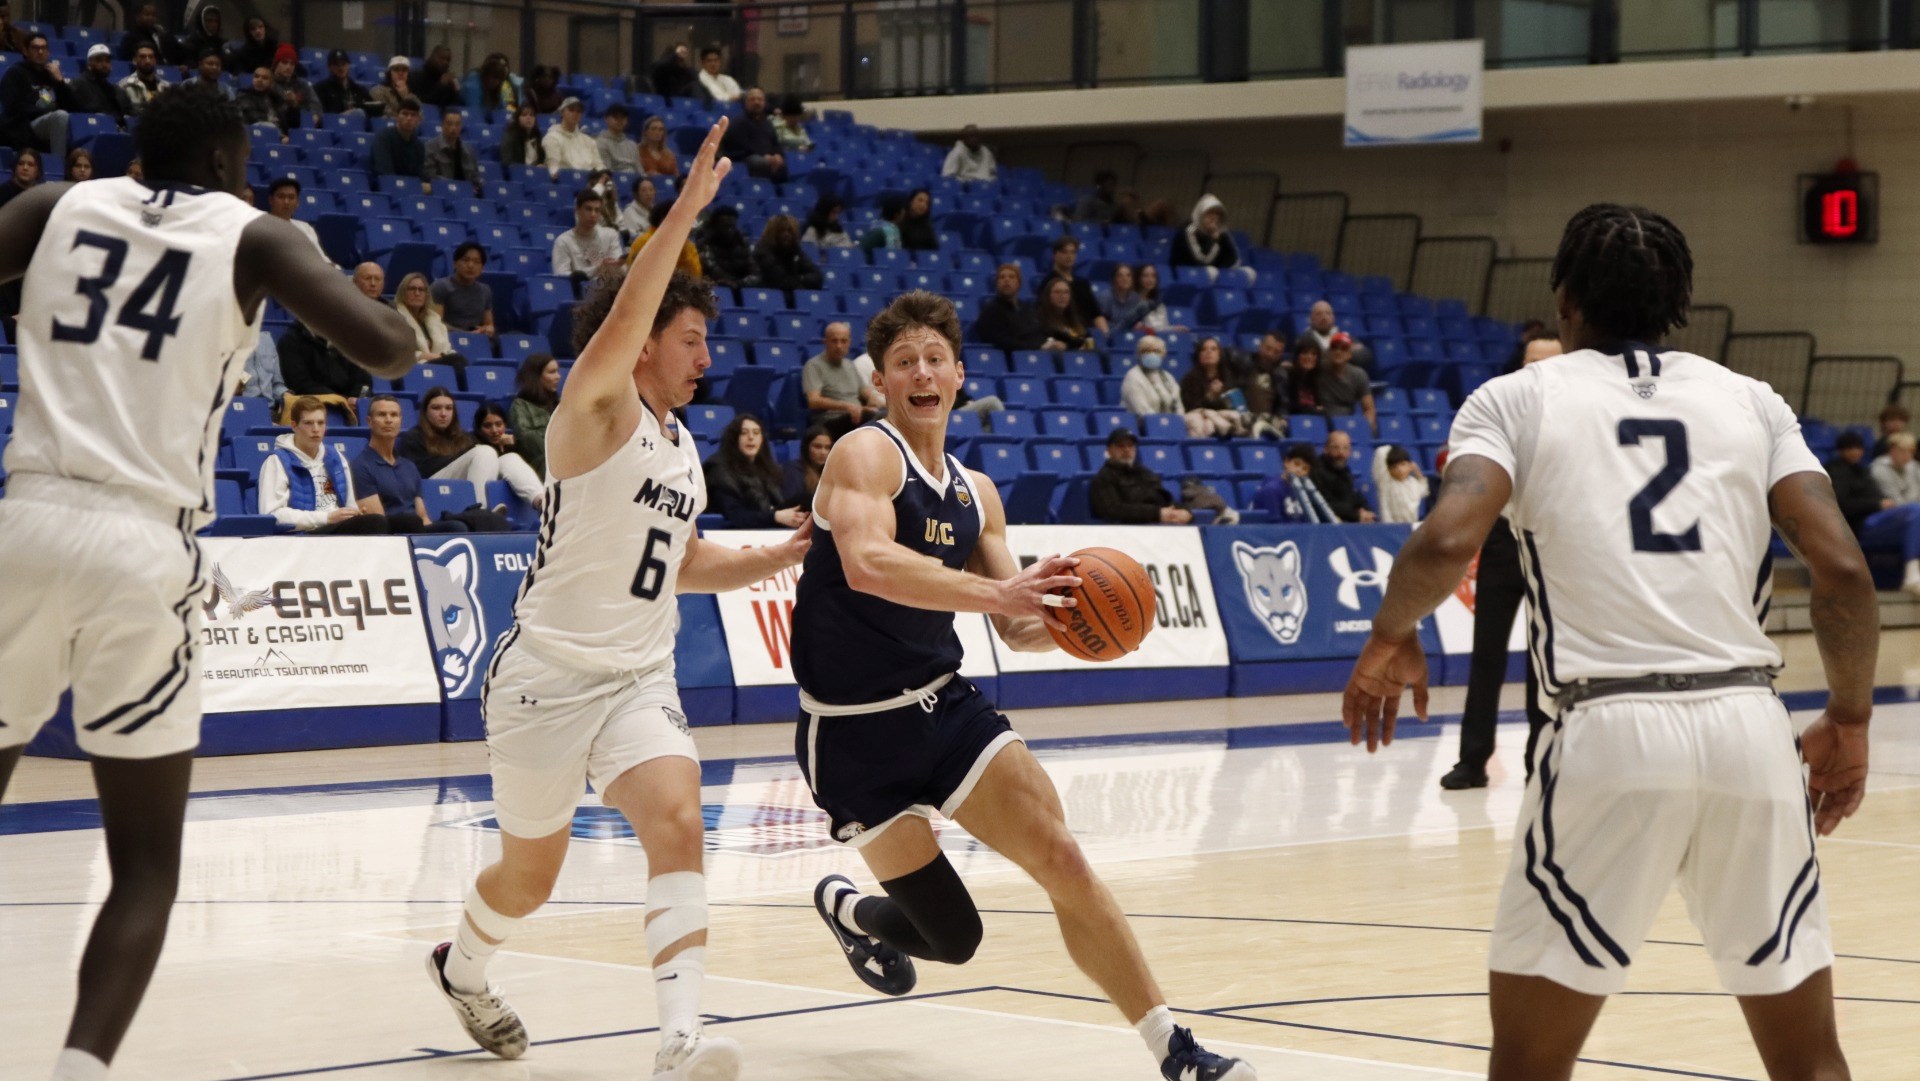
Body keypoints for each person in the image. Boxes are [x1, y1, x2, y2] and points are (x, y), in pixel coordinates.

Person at [1342, 202, 1872, 1081]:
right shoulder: (1753, 401)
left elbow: (1442, 541)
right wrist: (1849, 717)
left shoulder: (1515, 398)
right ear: (1680, 304)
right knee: (1809, 1060)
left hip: (1607, 729)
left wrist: (1388, 639)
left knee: (1530, 1062)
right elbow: (1845, 573)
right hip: (1748, 725)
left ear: (1564, 302)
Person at [0, 83, 414, 1081]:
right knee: (145, 862)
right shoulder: (254, 238)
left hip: (24, 521)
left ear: (136, 155)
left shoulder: (55, 205)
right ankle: (78, 1070)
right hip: (143, 540)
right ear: (231, 165)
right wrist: (396, 303)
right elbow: (384, 348)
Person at [789, 289, 1255, 1081]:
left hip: (943, 707)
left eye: (936, 358)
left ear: (960, 375)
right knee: (953, 939)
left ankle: (1173, 1050)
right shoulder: (865, 455)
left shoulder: (978, 493)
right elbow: (868, 565)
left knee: (1063, 858)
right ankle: (848, 907)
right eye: (905, 362)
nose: (922, 372)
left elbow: (1016, 625)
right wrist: (999, 595)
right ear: (883, 383)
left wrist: (1073, 619)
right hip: (852, 734)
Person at [426, 120, 800, 1081]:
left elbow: (681, 563)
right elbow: (630, 307)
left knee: (679, 819)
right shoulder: (597, 405)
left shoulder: (681, 449)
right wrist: (682, 213)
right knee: (528, 879)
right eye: (690, 335)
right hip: (544, 682)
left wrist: (783, 552)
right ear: (640, 345)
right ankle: (463, 968)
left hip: (637, 676)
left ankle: (679, 1034)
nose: (704, 354)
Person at [1441, 334, 1561, 791]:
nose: (1538, 370)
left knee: (1542, 660)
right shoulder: (1500, 410)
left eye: (1547, 362)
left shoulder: (1578, 417)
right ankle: (1473, 758)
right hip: (1500, 547)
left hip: (1550, 547)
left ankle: (1539, 759)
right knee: (1486, 657)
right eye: (1531, 361)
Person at [258, 397, 389, 534]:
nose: (316, 429)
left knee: (404, 522)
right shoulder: (277, 461)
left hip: (335, 527)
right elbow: (273, 515)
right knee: (375, 523)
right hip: (304, 534)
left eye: (321, 423)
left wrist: (353, 513)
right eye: (308, 423)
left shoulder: (335, 457)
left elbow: (349, 504)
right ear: (294, 425)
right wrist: (326, 518)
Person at [351, 395, 470, 533]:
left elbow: (423, 518)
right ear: (369, 421)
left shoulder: (409, 466)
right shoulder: (360, 466)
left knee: (457, 526)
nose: (389, 420)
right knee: (409, 521)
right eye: (382, 415)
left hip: (416, 529)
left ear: (400, 421)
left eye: (394, 415)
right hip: (391, 532)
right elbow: (377, 522)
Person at [704, 413, 808, 529]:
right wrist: (775, 516)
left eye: (756, 432)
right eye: (744, 433)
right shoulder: (719, 470)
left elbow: (775, 506)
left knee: (808, 501)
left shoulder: (766, 468)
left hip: (765, 528)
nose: (751, 437)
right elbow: (736, 516)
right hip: (734, 534)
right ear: (733, 438)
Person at [399, 385, 510, 488]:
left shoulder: (463, 437)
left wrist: (508, 447)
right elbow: (420, 471)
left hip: (460, 483)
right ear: (425, 412)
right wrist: (462, 455)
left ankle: (528, 504)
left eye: (448, 408)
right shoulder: (413, 437)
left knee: (510, 459)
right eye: (436, 408)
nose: (443, 413)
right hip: (432, 484)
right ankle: (481, 507)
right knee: (485, 451)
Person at [804, 321, 884, 438]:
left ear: (849, 343)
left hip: (858, 415)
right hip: (831, 419)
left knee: (887, 415)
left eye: (843, 341)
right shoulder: (814, 365)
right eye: (834, 341)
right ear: (825, 342)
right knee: (873, 419)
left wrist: (878, 403)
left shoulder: (850, 365)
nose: (839, 346)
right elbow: (813, 401)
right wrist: (848, 407)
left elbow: (865, 392)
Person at [1, 34, 75, 158]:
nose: (40, 52)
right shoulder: (15, 73)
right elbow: (12, 106)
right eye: (35, 48)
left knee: (65, 117)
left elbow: (71, 106)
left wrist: (60, 81)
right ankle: (58, 163)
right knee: (60, 116)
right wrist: (43, 110)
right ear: (25, 51)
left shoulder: (50, 75)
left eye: (44, 48)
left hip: (48, 122)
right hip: (23, 126)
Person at [472, 402, 547, 508]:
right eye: (487, 426)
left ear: (505, 425)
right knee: (507, 457)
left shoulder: (513, 443)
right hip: (481, 486)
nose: (494, 430)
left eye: (498, 424)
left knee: (512, 457)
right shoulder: (471, 444)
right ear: (479, 429)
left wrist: (515, 444)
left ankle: (542, 502)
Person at [970, 263, 1054, 353]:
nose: (1006, 280)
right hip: (1013, 357)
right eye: (1002, 277)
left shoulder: (1027, 308)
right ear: (997, 283)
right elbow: (1003, 342)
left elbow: (1037, 332)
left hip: (1038, 352)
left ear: (1019, 283)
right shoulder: (990, 311)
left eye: (1012, 277)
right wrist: (1038, 347)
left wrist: (1049, 342)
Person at [1181, 337, 1249, 438]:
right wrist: (1209, 397)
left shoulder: (1229, 377)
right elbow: (1189, 408)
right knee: (1207, 425)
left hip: (1225, 418)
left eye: (1213, 349)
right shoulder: (1189, 379)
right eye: (1204, 349)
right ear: (1199, 355)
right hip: (1199, 419)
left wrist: (1221, 395)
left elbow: (1236, 404)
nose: (1209, 352)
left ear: (1220, 354)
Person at [1253, 444, 1340, 523]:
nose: (1299, 470)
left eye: (1305, 469)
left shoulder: (1303, 491)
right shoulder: (1271, 490)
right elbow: (1273, 527)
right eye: (1297, 464)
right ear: (1286, 462)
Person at [552, 187, 625, 280]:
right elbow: (561, 276)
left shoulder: (610, 235)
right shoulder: (563, 241)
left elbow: (619, 267)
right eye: (588, 209)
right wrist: (597, 269)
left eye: (597, 210)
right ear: (577, 210)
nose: (593, 214)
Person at [1169, 194, 1245, 281]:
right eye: (1209, 213)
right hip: (1186, 271)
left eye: (1217, 214)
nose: (1214, 217)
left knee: (1248, 273)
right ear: (1201, 214)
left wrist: (1222, 269)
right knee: (1211, 272)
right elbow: (1202, 261)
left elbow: (1234, 258)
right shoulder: (1188, 231)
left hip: (1212, 273)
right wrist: (1214, 240)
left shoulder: (1222, 233)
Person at [1825, 430, 1887, 537]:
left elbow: (1876, 492)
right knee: (1914, 511)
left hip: (1873, 516)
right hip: (1855, 523)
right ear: (1840, 451)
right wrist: (1877, 504)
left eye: (1858, 448)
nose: (1855, 452)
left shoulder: (1862, 470)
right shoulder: (1836, 471)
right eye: (1850, 448)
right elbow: (1841, 504)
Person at [1037, 236, 1105, 333]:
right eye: (1065, 252)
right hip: (1061, 332)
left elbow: (1096, 314)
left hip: (1085, 332)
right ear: (1055, 255)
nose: (1069, 256)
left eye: (1073, 252)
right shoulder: (1048, 282)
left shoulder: (1083, 283)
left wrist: (1105, 335)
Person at [508, 352, 559, 478]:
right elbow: (526, 438)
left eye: (557, 371)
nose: (558, 377)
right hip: (539, 464)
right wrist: (553, 435)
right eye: (552, 372)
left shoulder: (560, 405)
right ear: (536, 376)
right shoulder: (520, 405)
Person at [719, 87, 785, 182]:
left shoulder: (767, 123)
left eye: (760, 99)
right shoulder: (738, 122)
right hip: (743, 157)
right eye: (752, 99)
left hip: (765, 157)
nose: (756, 102)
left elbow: (775, 143)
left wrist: (777, 155)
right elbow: (742, 146)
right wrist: (765, 156)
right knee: (759, 162)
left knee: (782, 163)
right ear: (746, 102)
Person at [626, 200, 703, 278]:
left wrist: (684, 250)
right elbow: (633, 274)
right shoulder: (643, 241)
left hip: (681, 288)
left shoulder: (688, 246)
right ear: (662, 219)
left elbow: (696, 277)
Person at [432, 242, 496, 335]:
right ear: (455, 263)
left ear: (482, 268)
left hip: (477, 338)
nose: (470, 265)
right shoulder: (440, 286)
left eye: (476, 262)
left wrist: (488, 329)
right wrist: (466, 335)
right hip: (448, 338)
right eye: (466, 260)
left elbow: (488, 323)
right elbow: (436, 324)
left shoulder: (485, 290)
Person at [393, 271, 455, 364]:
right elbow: (396, 350)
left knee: (459, 359)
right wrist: (425, 356)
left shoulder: (435, 319)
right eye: (412, 289)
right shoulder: (395, 317)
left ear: (427, 294)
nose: (417, 293)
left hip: (438, 365)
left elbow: (447, 348)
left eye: (421, 289)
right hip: (413, 366)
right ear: (403, 292)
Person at [1317, 332, 1375, 431]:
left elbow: (1369, 409)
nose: (1338, 352)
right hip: (1321, 422)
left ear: (1350, 354)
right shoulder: (1317, 370)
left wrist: (1366, 429)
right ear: (1329, 352)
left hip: (1348, 423)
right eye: (1334, 348)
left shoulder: (1359, 374)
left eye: (1343, 348)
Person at [753, 214, 822, 294]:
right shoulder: (763, 251)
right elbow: (781, 281)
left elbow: (818, 277)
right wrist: (803, 291)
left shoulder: (795, 250)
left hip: (792, 296)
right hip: (772, 297)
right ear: (772, 233)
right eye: (781, 231)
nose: (786, 234)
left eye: (790, 231)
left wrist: (800, 278)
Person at [1294, 300, 1370, 371]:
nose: (1324, 318)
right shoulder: (1303, 338)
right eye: (1319, 314)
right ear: (1311, 319)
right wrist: (1344, 352)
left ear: (1333, 318)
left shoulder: (1345, 335)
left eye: (1328, 313)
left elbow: (1364, 356)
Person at [266, 177, 330, 260]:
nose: (286, 202)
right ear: (271, 200)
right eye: (281, 197)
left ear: (297, 203)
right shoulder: (259, 225)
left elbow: (321, 258)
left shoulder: (306, 228)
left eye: (291, 197)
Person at [1120, 334, 1182, 418]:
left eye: (1156, 351)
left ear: (1163, 355)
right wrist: (1162, 423)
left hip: (1170, 424)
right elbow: (1142, 411)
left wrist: (1178, 422)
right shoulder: (1132, 376)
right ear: (1139, 354)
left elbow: (1178, 405)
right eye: (1146, 351)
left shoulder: (1168, 376)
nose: (1151, 354)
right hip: (1144, 426)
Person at [423, 107, 482, 193]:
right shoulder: (430, 147)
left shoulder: (469, 151)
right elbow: (430, 176)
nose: (453, 128)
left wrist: (477, 185)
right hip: (444, 192)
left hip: (466, 194)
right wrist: (453, 186)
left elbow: (475, 177)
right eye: (449, 124)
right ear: (442, 125)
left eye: (457, 124)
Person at [695, 204, 754, 287]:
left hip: (741, 287)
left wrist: (741, 283)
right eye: (725, 226)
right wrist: (729, 281)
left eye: (732, 226)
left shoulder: (742, 242)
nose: (729, 230)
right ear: (715, 226)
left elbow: (754, 270)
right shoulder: (704, 241)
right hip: (715, 286)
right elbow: (710, 267)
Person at [69, 45, 127, 122]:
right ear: (89, 63)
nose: (104, 65)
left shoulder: (114, 90)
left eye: (107, 61)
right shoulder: (78, 84)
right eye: (99, 60)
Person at [542, 96, 601, 173]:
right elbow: (553, 166)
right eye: (571, 110)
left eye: (579, 111)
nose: (575, 114)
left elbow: (599, 165)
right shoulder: (552, 137)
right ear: (562, 112)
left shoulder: (589, 141)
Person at [372, 97, 427, 178]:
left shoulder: (419, 146)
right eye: (405, 114)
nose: (409, 118)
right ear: (397, 117)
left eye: (413, 115)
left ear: (418, 120)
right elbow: (385, 172)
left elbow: (419, 175)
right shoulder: (384, 138)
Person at [1370, 445, 1427, 523]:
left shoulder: (1414, 483)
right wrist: (1393, 449)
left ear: (1410, 466)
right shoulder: (1386, 484)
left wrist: (1417, 472)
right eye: (1394, 467)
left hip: (1411, 525)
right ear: (1389, 470)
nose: (1399, 469)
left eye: (1403, 464)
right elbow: (1380, 452)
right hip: (1392, 526)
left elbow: (1424, 490)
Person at [269, 44, 318, 129]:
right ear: (276, 63)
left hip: (300, 126)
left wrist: (314, 115)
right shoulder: (269, 83)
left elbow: (315, 105)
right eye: (284, 62)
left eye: (292, 64)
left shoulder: (302, 84)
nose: (288, 67)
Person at [783, 425, 832, 511]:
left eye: (827, 448)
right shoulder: (793, 469)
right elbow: (793, 503)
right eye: (817, 446)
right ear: (806, 448)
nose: (823, 452)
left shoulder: (830, 471)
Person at [1035, 277, 1090, 351]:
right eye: (1057, 292)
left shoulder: (1077, 319)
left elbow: (1088, 341)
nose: (1062, 296)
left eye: (1066, 292)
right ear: (1048, 296)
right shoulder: (1041, 320)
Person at [240, 326, 289, 404]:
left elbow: (277, 384)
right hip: (240, 406)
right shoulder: (221, 344)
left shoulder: (266, 340)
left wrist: (285, 395)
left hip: (269, 407)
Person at [316, 49, 373, 114]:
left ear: (348, 65)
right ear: (329, 67)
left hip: (358, 123)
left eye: (343, 64)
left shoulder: (359, 90)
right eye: (336, 65)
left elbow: (372, 109)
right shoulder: (320, 89)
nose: (341, 68)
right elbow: (320, 114)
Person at [118, 44, 168, 114]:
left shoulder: (166, 87)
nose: (147, 61)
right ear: (134, 60)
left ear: (155, 61)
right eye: (142, 57)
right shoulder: (124, 86)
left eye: (151, 57)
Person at [227, 17, 280, 82]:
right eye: (253, 29)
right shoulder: (242, 54)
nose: (258, 31)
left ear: (265, 28)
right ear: (248, 33)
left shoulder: (275, 47)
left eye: (260, 27)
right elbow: (242, 76)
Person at [1135, 264, 1183, 332]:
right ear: (1138, 278)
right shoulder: (1132, 302)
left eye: (1153, 276)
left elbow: (1163, 327)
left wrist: (1174, 329)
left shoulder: (1159, 304)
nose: (1150, 279)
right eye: (1145, 276)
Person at [1102, 263, 1148, 333]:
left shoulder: (1136, 298)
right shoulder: (1105, 297)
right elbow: (1101, 323)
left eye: (1128, 275)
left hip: (1131, 336)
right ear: (1114, 279)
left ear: (1132, 279)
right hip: (1111, 335)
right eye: (1120, 275)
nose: (1125, 279)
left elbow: (1140, 321)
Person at [596, 101, 640, 172]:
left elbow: (639, 170)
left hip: (635, 180)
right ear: (606, 119)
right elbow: (606, 170)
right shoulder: (601, 142)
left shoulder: (633, 145)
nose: (620, 120)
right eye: (615, 117)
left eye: (623, 117)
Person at [500, 104, 546, 168]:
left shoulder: (538, 136)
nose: (528, 118)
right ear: (517, 118)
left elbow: (542, 158)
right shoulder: (511, 136)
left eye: (531, 115)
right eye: (524, 115)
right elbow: (508, 162)